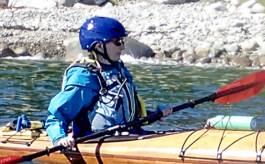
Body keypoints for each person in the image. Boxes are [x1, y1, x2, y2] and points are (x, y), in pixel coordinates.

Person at [45, 16, 171, 150]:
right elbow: (56, 116)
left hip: (128, 137)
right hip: (97, 142)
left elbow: (129, 114)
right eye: (117, 42)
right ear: (99, 46)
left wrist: (155, 115)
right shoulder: (84, 77)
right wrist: (59, 138)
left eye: (122, 41)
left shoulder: (120, 70)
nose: (122, 47)